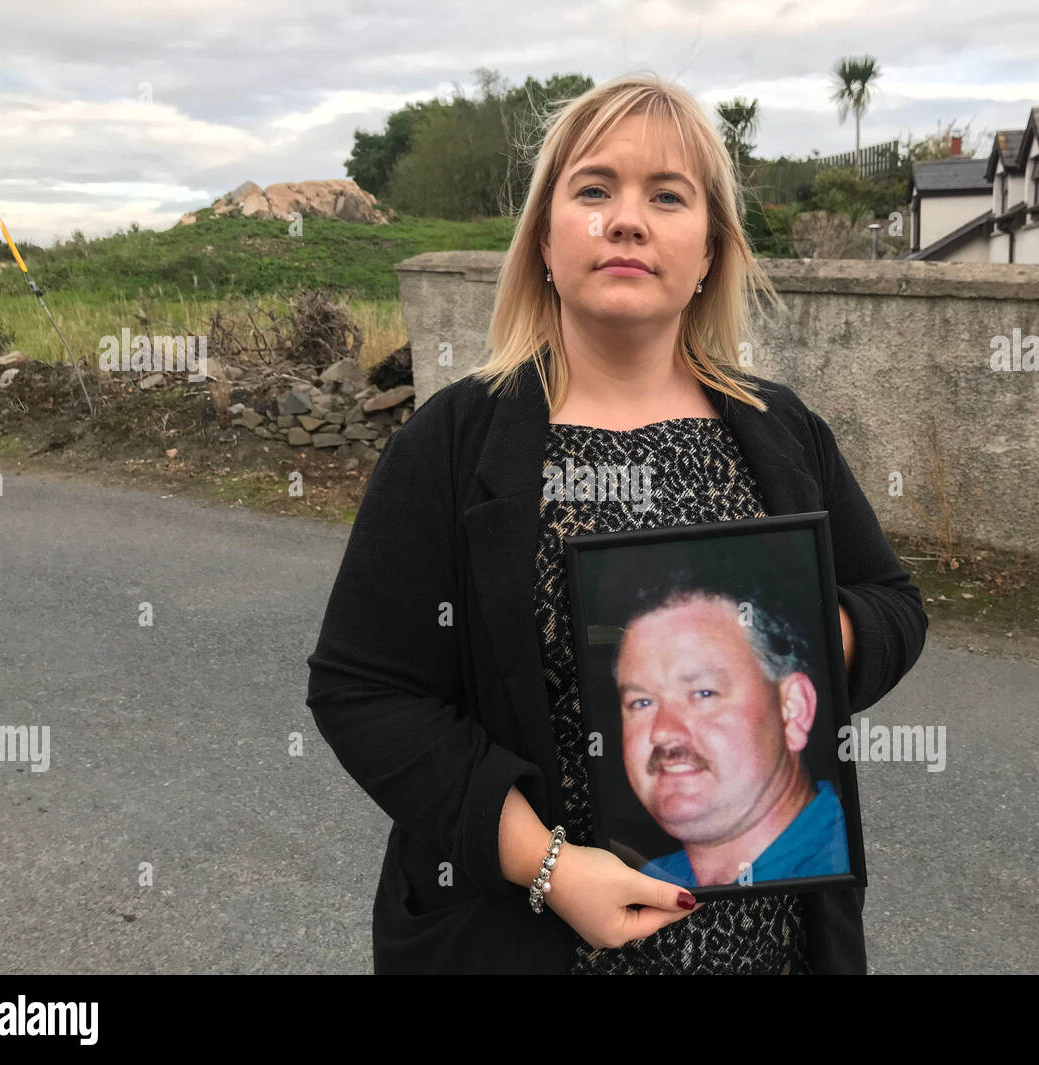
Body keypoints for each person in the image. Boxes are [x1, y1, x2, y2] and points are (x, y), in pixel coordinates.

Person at [306, 73, 928, 975]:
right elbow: (364, 692)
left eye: (667, 196)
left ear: (710, 249)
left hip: (769, 947)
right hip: (523, 941)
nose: (626, 220)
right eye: (593, 190)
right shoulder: (453, 442)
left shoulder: (781, 431)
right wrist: (547, 866)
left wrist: (791, 635)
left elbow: (893, 608)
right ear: (546, 242)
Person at [609, 585, 851, 888]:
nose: (663, 731)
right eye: (641, 702)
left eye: (704, 693)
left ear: (794, 709)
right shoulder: (652, 879)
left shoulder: (827, 872)